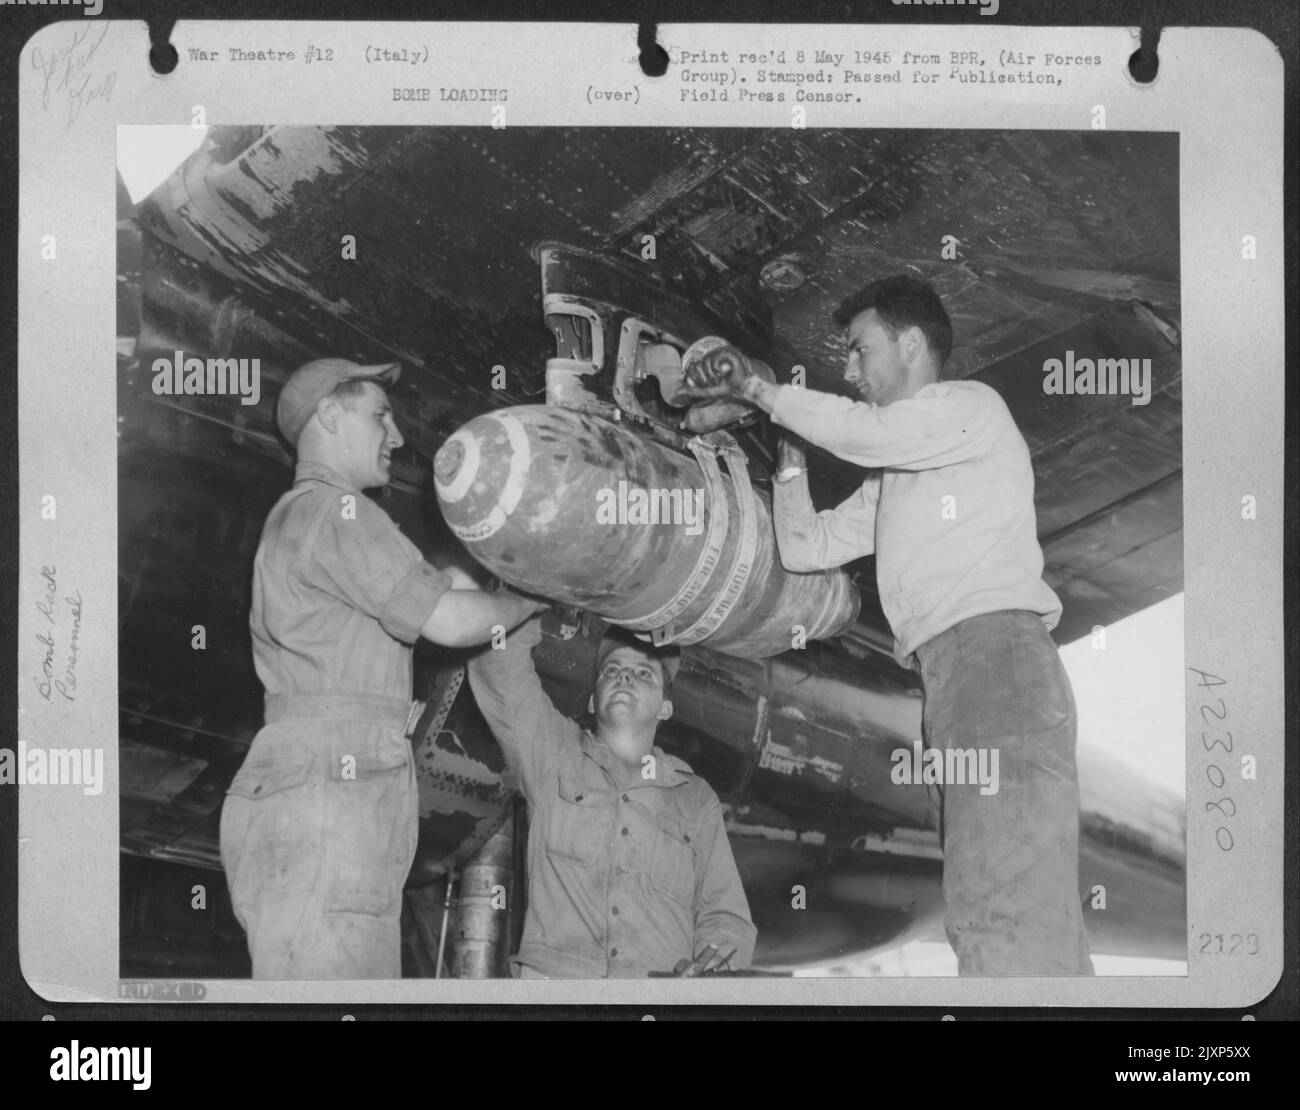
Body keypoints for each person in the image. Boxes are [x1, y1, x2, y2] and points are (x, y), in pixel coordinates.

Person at [682, 274, 1092, 976]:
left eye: (858, 350)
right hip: (955, 682)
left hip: (998, 667)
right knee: (985, 897)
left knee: (1004, 903)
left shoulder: (970, 409)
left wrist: (762, 389)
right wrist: (786, 452)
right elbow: (808, 546)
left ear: (909, 344)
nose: (848, 370)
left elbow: (866, 434)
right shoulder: (906, 473)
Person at [220, 357, 545, 979]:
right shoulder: (338, 514)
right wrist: (532, 598)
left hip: (317, 779)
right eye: (380, 416)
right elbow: (449, 622)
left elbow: (436, 593)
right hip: (329, 787)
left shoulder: (308, 518)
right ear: (330, 415)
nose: (396, 436)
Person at [467, 614, 757, 978]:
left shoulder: (695, 799)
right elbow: (499, 665)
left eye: (643, 674)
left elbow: (726, 917)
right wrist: (535, 595)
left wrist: (710, 969)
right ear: (592, 701)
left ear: (665, 708)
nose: (624, 677)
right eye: (611, 671)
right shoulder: (554, 756)